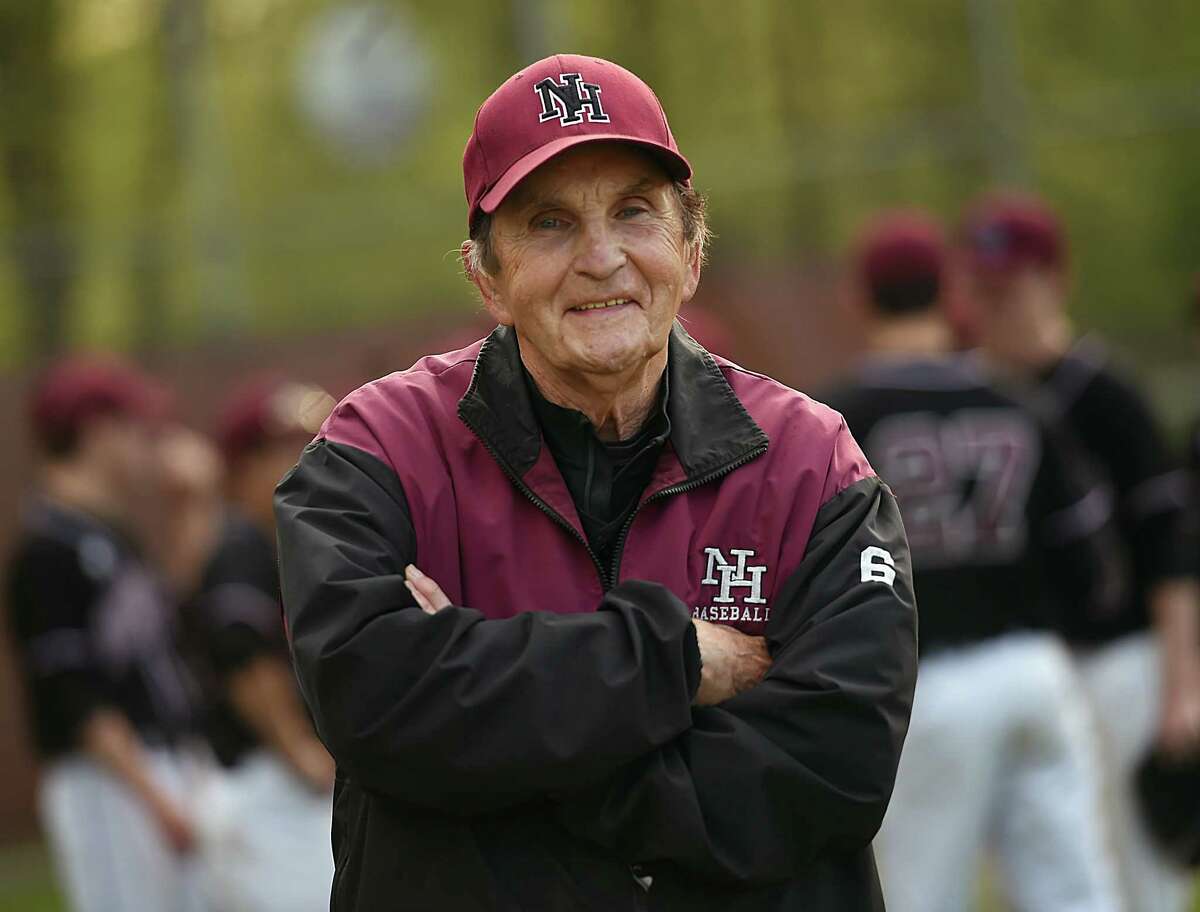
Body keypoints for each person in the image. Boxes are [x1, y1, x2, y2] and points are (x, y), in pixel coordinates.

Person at [274, 54, 918, 911]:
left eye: (634, 213)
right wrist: (674, 660)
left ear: (690, 253)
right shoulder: (375, 451)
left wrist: (502, 758)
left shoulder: (813, 464)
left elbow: (835, 767)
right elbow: (374, 703)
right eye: (549, 223)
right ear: (487, 279)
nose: (602, 257)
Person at [823, 211, 1122, 911]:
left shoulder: (837, 420)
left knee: (919, 896)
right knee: (1075, 896)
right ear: (948, 291)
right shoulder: (1017, 401)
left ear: (860, 299)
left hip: (923, 687)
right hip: (1034, 670)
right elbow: (1089, 559)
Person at [958, 193, 1200, 911]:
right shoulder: (963, 396)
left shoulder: (1108, 395)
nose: (996, 304)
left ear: (1056, 280)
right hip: (1020, 668)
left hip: (1118, 662)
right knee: (1047, 877)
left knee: (1141, 871)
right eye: (983, 288)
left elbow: (1170, 549)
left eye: (1013, 286)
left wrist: (1183, 687)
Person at [5, 357, 204, 912]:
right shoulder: (45, 551)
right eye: (136, 429)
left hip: (157, 763)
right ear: (96, 431)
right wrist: (154, 797)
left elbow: (173, 624)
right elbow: (74, 697)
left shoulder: (112, 535)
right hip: (106, 780)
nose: (150, 444)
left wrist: (190, 508)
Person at [160, 379, 336, 912]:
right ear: (241, 465)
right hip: (264, 782)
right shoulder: (239, 547)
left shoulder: (269, 541)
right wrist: (303, 755)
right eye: (280, 448)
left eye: (309, 443)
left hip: (274, 784)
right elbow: (245, 661)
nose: (301, 458)